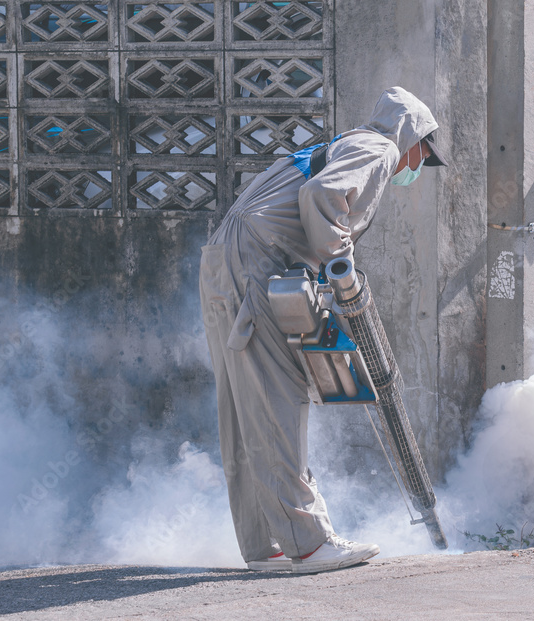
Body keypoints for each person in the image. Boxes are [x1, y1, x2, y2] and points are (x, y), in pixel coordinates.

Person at [198, 86, 448, 573]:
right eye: (423, 155)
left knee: (245, 406)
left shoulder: (338, 144)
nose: (415, 168)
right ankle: (310, 544)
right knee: (276, 400)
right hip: (255, 266)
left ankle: (264, 544)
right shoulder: (379, 148)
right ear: (412, 137)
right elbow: (322, 195)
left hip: (224, 264)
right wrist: (340, 262)